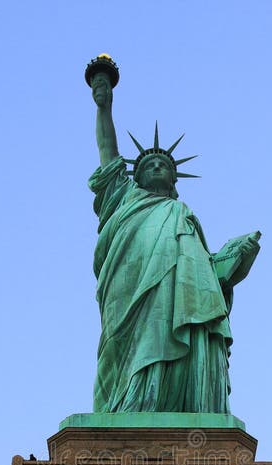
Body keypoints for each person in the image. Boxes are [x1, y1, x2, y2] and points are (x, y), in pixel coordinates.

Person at [89, 69, 260, 414]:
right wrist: (104, 108)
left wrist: (229, 262)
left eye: (162, 165)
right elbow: (108, 152)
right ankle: (125, 406)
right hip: (127, 288)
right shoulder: (123, 199)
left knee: (176, 326)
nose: (155, 167)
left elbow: (204, 276)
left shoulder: (182, 213)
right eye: (148, 164)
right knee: (122, 348)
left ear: (173, 180)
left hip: (178, 293)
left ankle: (164, 402)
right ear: (134, 177)